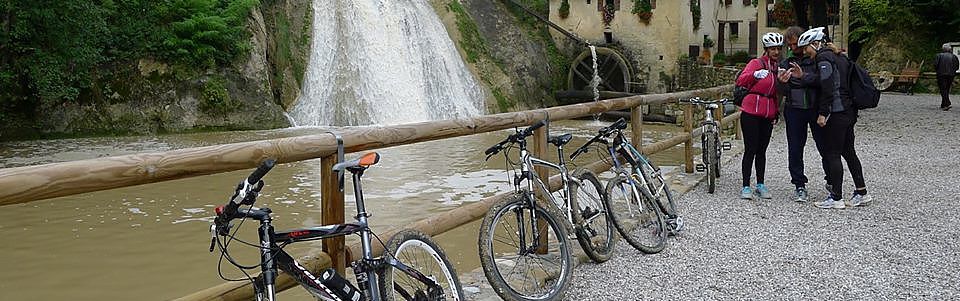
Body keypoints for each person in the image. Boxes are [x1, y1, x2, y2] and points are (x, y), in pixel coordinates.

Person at [794, 27, 871, 209]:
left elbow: (828, 86)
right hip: (848, 110)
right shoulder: (839, 56)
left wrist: (823, 113)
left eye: (806, 48)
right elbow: (827, 80)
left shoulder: (823, 58)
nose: (805, 52)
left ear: (815, 44)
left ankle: (836, 197)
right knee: (849, 152)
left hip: (836, 113)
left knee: (832, 154)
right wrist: (804, 76)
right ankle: (862, 192)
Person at [777, 26, 824, 203]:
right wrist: (781, 83)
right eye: (789, 45)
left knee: (824, 145)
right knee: (795, 148)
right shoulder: (785, 62)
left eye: (795, 44)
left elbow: (823, 82)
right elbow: (782, 90)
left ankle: (831, 180)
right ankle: (799, 185)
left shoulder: (814, 58)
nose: (793, 48)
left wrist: (803, 77)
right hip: (794, 109)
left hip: (814, 108)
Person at [735, 32, 784, 200]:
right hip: (750, 111)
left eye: (778, 49)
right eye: (772, 49)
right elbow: (741, 80)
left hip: (768, 112)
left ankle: (761, 184)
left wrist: (776, 110)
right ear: (766, 49)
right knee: (750, 149)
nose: (776, 52)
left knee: (762, 150)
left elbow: (776, 92)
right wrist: (755, 74)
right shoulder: (756, 63)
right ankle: (746, 186)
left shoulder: (778, 67)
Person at [934, 43, 959, 111]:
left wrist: (938, 70)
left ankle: (947, 103)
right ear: (950, 49)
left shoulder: (939, 55)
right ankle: (943, 104)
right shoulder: (954, 57)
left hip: (941, 74)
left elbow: (935, 65)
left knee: (943, 89)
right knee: (947, 89)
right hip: (951, 75)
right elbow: (957, 67)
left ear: (943, 49)